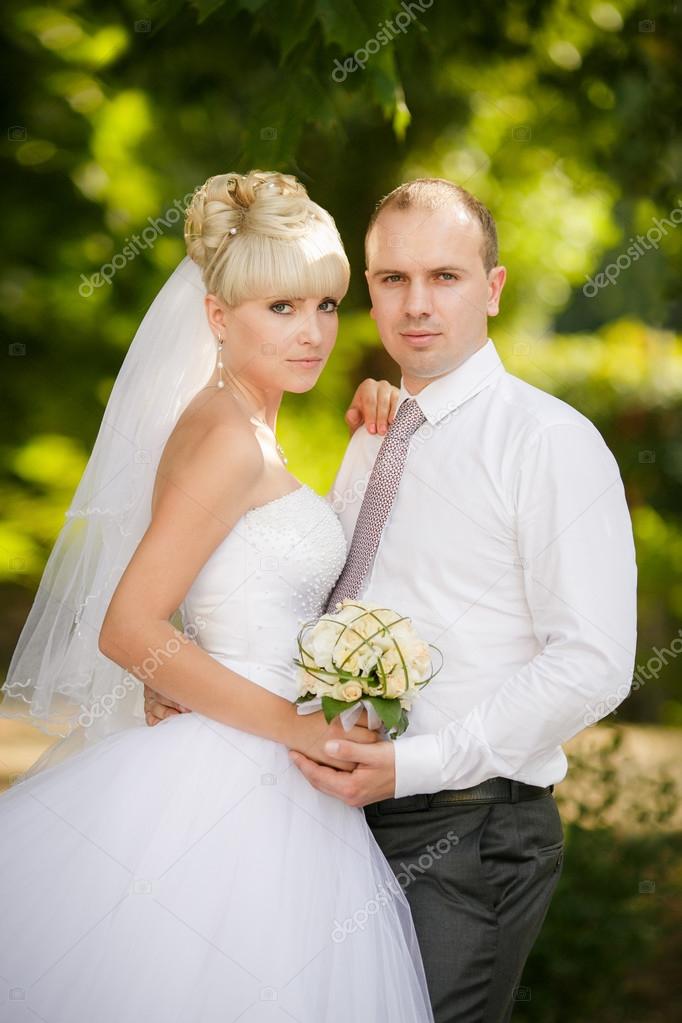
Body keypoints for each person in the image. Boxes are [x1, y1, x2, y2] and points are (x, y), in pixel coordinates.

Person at [0, 170, 435, 1022]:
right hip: (240, 775)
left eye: (323, 304)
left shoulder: (237, 423)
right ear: (215, 317)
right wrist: (297, 725)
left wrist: (383, 412)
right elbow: (128, 626)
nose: (310, 333)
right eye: (280, 309)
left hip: (248, 758)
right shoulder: (229, 441)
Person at [268, 178, 638, 1021]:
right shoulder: (375, 437)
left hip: (470, 836)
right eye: (393, 279)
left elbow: (594, 662)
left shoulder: (549, 442)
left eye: (446, 276)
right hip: (339, 819)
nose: (417, 303)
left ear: (495, 289)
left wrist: (415, 765)